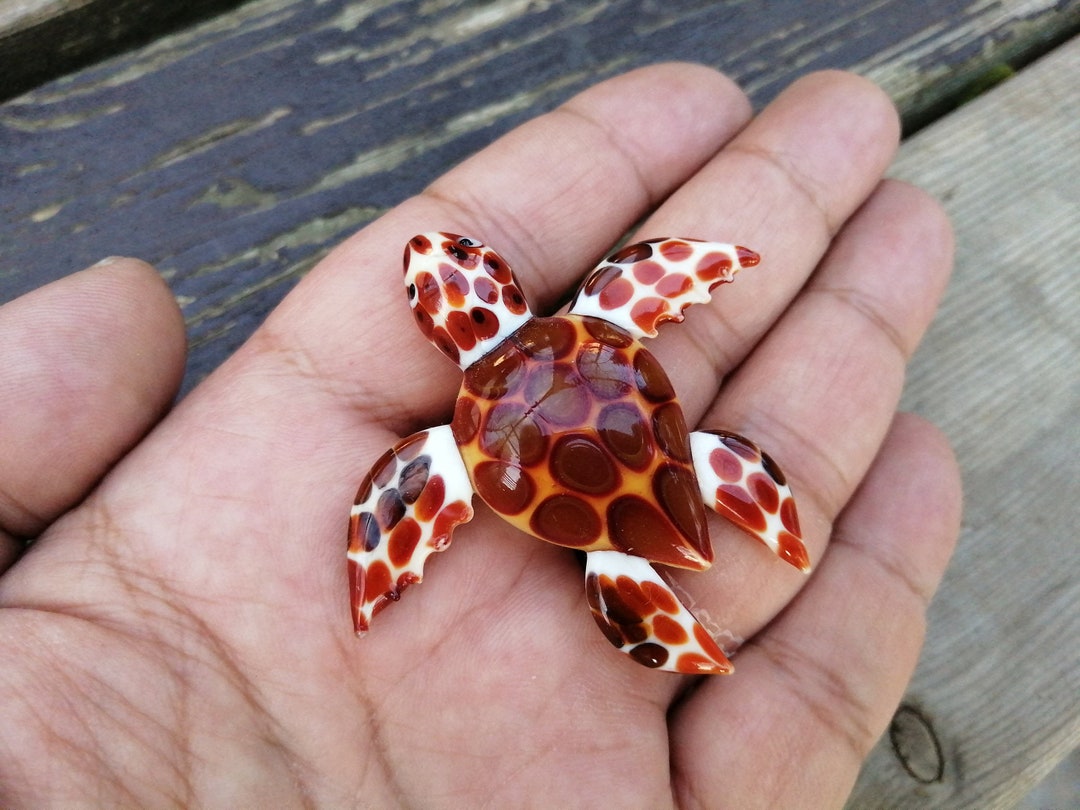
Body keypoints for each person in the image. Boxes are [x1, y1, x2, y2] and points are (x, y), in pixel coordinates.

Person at [0, 64, 960, 807]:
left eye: (446, 273)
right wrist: (709, 260)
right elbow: (645, 278)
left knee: (634, 552)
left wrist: (376, 573)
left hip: (594, 509)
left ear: (449, 323)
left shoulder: (457, 441)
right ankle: (732, 567)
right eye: (449, 275)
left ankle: (704, 598)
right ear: (484, 298)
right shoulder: (596, 316)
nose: (441, 276)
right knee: (705, 477)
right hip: (667, 456)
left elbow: (397, 505)